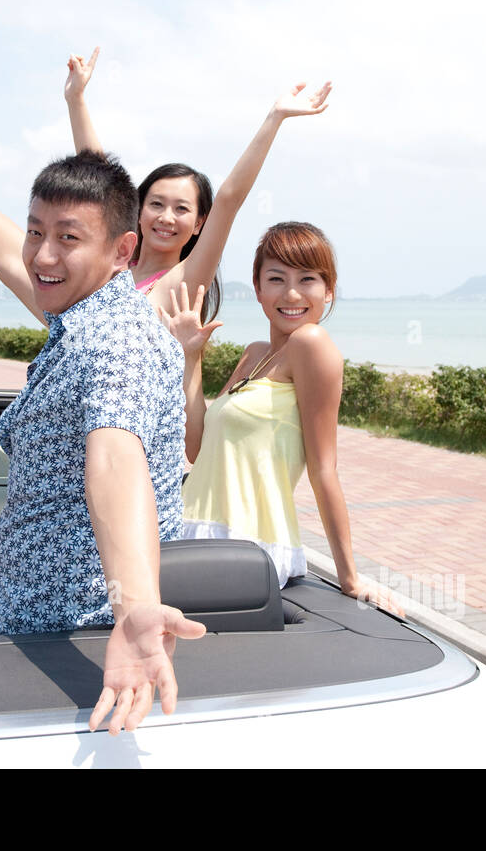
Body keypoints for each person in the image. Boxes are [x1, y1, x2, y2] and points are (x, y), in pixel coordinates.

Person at [0, 146, 207, 733]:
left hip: (55, 611)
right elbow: (13, 258)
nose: (42, 255)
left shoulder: (112, 343)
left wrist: (133, 614)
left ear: (122, 250)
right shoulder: (87, 311)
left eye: (68, 238)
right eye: (35, 231)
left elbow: (117, 464)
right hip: (24, 583)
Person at [0, 51, 330, 328]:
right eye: (156, 204)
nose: (166, 217)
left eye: (182, 209)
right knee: (30, 253)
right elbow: (97, 183)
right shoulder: (100, 271)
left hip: (132, 443)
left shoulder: (183, 281)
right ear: (137, 214)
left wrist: (274, 119)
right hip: (73, 404)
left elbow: (230, 199)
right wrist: (76, 100)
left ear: (200, 223)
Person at [160, 222, 401, 614]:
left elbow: (325, 468)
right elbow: (197, 447)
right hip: (189, 532)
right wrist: (191, 358)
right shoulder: (254, 354)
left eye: (307, 279)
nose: (291, 293)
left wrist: (350, 578)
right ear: (257, 289)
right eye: (276, 278)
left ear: (329, 291)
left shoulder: (311, 344)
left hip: (244, 546)